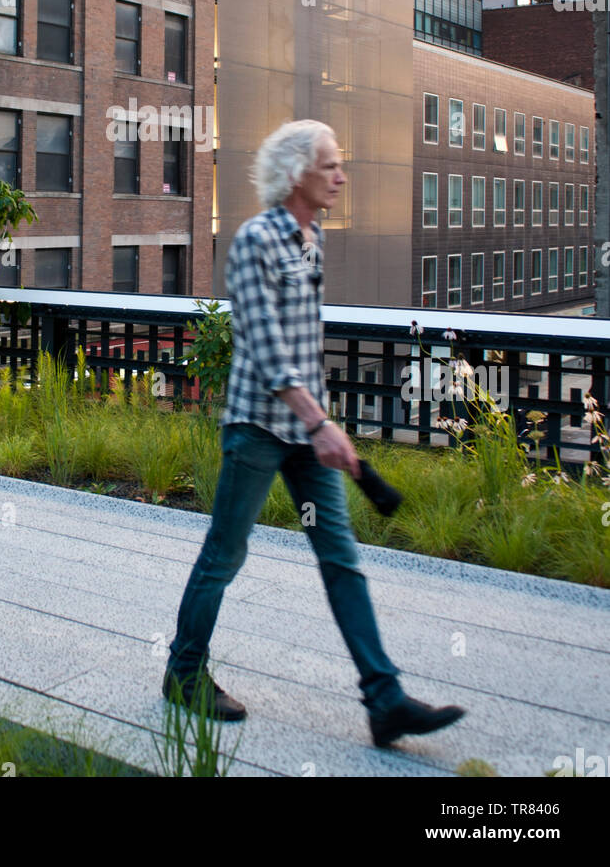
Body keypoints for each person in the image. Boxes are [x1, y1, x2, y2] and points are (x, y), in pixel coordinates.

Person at [163, 120, 465, 748]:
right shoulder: (254, 241)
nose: (341, 175)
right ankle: (183, 673)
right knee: (225, 554)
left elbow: (303, 343)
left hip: (307, 433)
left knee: (342, 559)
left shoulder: (312, 238)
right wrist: (318, 422)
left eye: (340, 163)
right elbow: (268, 349)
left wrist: (324, 424)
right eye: (330, 164)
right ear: (297, 171)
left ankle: (384, 700)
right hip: (258, 428)